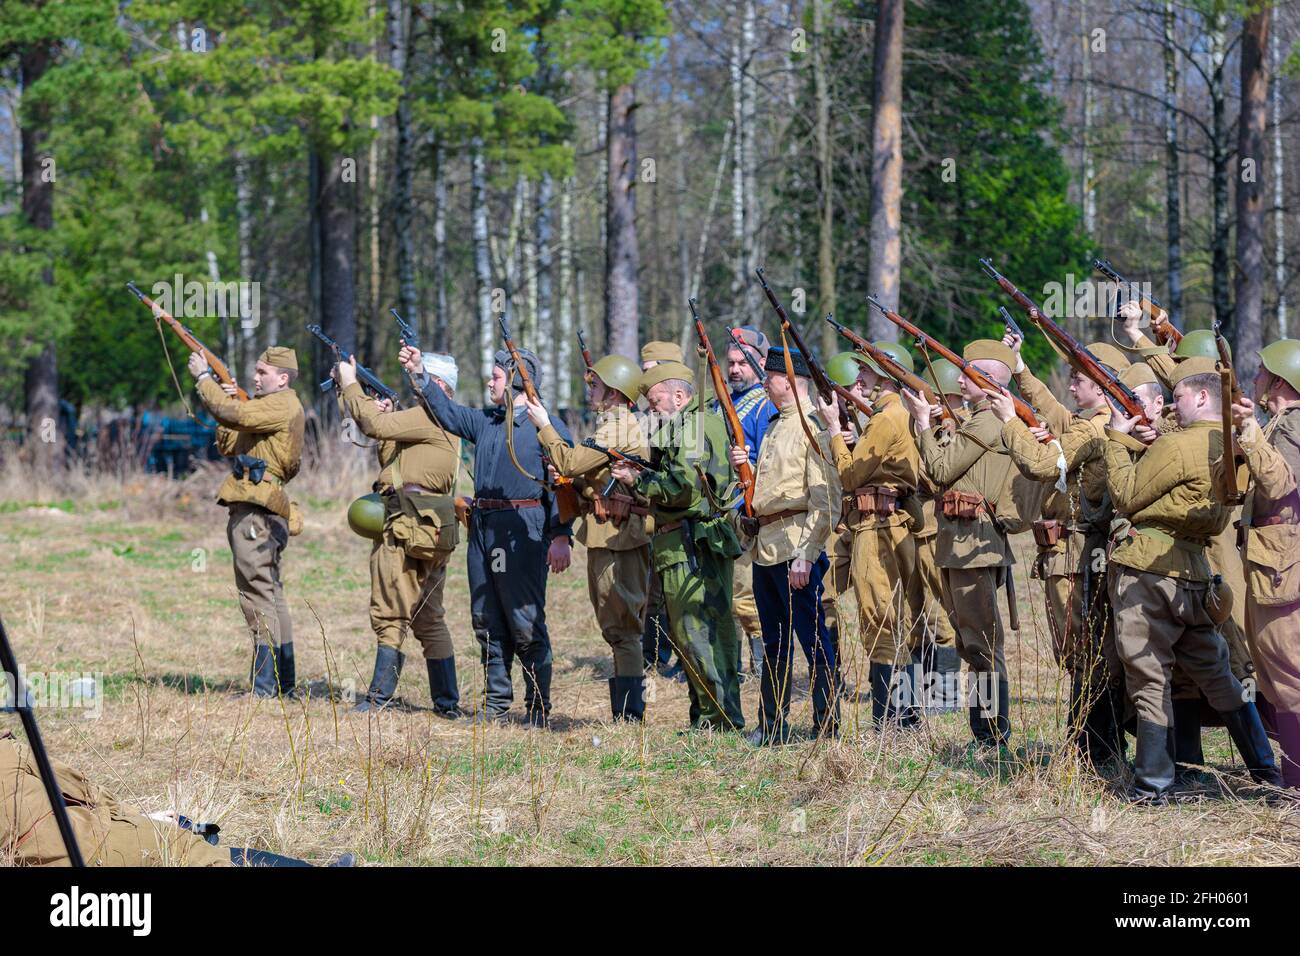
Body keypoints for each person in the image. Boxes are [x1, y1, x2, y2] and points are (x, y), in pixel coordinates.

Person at [1105, 356, 1281, 801]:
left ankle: (1151, 785)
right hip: (1198, 577)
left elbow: (1126, 496)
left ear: (1202, 396)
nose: (1173, 407)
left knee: (1148, 677)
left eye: (1179, 396)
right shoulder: (1231, 444)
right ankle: (1264, 769)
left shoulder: (1179, 445)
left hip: (1150, 571)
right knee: (1218, 674)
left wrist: (1115, 438)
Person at [401, 343, 574, 727]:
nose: (488, 381)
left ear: (514, 380)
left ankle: (537, 708)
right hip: (483, 528)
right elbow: (445, 411)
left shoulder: (545, 426)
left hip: (523, 529)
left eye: (496, 376)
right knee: (486, 618)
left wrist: (561, 534)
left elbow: (564, 483)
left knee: (524, 619)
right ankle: (496, 704)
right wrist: (419, 375)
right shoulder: (487, 421)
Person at [995, 333, 1131, 765]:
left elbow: (1042, 465)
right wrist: (1018, 368)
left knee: (1085, 652)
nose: (1071, 387)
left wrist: (1010, 423)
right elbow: (1053, 412)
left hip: (1076, 553)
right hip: (1070, 552)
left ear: (1100, 384)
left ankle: (1097, 747)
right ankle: (1091, 744)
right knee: (1084, 652)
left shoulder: (1096, 426)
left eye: (1078, 379)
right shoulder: (1088, 421)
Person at [610, 362, 744, 731]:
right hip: (686, 540)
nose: (652, 410)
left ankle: (720, 720)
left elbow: (682, 487)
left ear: (680, 396)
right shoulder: (691, 425)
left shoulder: (692, 426)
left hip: (691, 543)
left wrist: (638, 481)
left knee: (697, 633)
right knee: (693, 635)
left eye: (655, 402)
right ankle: (709, 718)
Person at [900, 341, 1019, 755]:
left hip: (976, 546)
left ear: (987, 384)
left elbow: (940, 468)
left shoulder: (986, 424)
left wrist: (921, 424)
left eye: (968, 375)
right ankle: (984, 734)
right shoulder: (973, 421)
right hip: (960, 544)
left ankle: (993, 737)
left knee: (983, 645)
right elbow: (937, 483)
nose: (960, 381)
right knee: (971, 643)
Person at [0, 735, 350, 866]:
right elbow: (70, 791)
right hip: (76, 845)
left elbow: (70, 791)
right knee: (184, 849)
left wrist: (136, 816)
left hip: (76, 834)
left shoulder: (7, 748)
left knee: (185, 838)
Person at [337, 352, 463, 716]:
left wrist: (349, 382)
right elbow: (393, 463)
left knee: (390, 612)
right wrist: (389, 414)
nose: (414, 384)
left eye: (421, 379)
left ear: (439, 386)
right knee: (428, 616)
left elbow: (372, 424)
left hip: (407, 524)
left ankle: (378, 697)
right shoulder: (438, 420)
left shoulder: (430, 414)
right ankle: (447, 703)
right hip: (431, 524)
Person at [527, 354, 652, 720]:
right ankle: (627, 712)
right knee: (616, 625)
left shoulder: (617, 426)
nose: (591, 391)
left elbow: (570, 462)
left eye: (596, 386)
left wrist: (544, 425)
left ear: (614, 392)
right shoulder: (612, 423)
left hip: (620, 535)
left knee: (623, 626)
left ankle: (630, 714)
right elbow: (586, 477)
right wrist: (577, 484)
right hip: (607, 531)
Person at [733, 347, 840, 744]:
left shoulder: (812, 426)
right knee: (775, 642)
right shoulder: (777, 423)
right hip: (767, 546)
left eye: (771, 377)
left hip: (796, 549)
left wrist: (807, 554)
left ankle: (827, 727)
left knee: (813, 641)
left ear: (791, 382)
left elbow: (826, 500)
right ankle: (772, 725)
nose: (763, 383)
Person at [188, 346, 304, 698]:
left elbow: (232, 414)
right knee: (269, 593)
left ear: (282, 378)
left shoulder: (282, 404)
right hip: (258, 507)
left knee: (256, 595)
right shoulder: (266, 408)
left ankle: (265, 686)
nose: (256, 378)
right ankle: (282, 683)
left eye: (263, 372)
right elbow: (230, 439)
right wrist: (229, 399)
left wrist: (204, 379)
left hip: (257, 510)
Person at [816, 342, 921, 728]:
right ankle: (901, 717)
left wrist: (832, 430)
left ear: (888, 377)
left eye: (869, 372)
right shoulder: (893, 415)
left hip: (877, 526)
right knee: (891, 619)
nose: (860, 378)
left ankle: (892, 720)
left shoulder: (884, 419)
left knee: (879, 621)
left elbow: (851, 476)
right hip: (884, 523)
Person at [1214, 339, 1300, 788]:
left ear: (1282, 380)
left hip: (1284, 567)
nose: (1257, 379)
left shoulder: (1292, 428)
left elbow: (1280, 483)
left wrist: (1249, 431)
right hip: (1273, 565)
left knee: (1289, 673)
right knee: (1275, 672)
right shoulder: (1280, 425)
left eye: (1264, 373)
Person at [715, 327, 777, 681]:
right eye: (731, 362)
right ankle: (733, 664)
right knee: (727, 593)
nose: (735, 369)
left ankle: (759, 668)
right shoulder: (725, 401)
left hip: (748, 511)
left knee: (746, 594)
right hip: (724, 509)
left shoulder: (764, 404)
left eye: (743, 362)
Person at [639, 341, 686, 679]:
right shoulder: (649, 419)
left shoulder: (690, 422)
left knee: (683, 598)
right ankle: (655, 655)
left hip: (683, 525)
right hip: (654, 520)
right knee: (655, 593)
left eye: (653, 371)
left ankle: (688, 661)